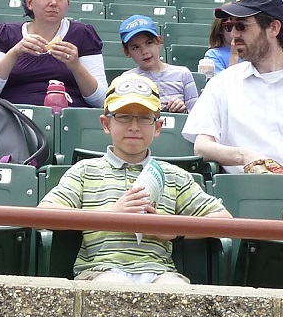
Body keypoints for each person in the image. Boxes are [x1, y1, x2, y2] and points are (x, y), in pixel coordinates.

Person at [40, 76, 230, 283]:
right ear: (106, 124)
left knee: (175, 288)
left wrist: (172, 230)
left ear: (158, 127)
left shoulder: (174, 175)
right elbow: (45, 213)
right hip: (101, 270)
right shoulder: (85, 170)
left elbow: (224, 220)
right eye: (123, 117)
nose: (134, 126)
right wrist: (109, 215)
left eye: (145, 118)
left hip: (160, 272)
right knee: (114, 284)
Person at [183, 0, 283, 175]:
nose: (234, 34)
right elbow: (202, 146)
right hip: (246, 187)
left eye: (241, 26)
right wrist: (245, 156)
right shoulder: (221, 83)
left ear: (274, 28)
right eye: (229, 26)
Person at [0, 0, 107, 108]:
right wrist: (14, 53)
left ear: (67, 4)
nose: (53, 3)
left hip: (70, 115)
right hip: (13, 114)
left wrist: (76, 66)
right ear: (29, 2)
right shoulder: (7, 33)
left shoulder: (82, 34)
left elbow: (101, 100)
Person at [117, 15, 197, 113]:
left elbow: (196, 114)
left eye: (149, 43)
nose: (144, 51)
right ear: (127, 52)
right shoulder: (127, 79)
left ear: (159, 41)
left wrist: (182, 110)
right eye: (135, 47)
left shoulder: (182, 74)